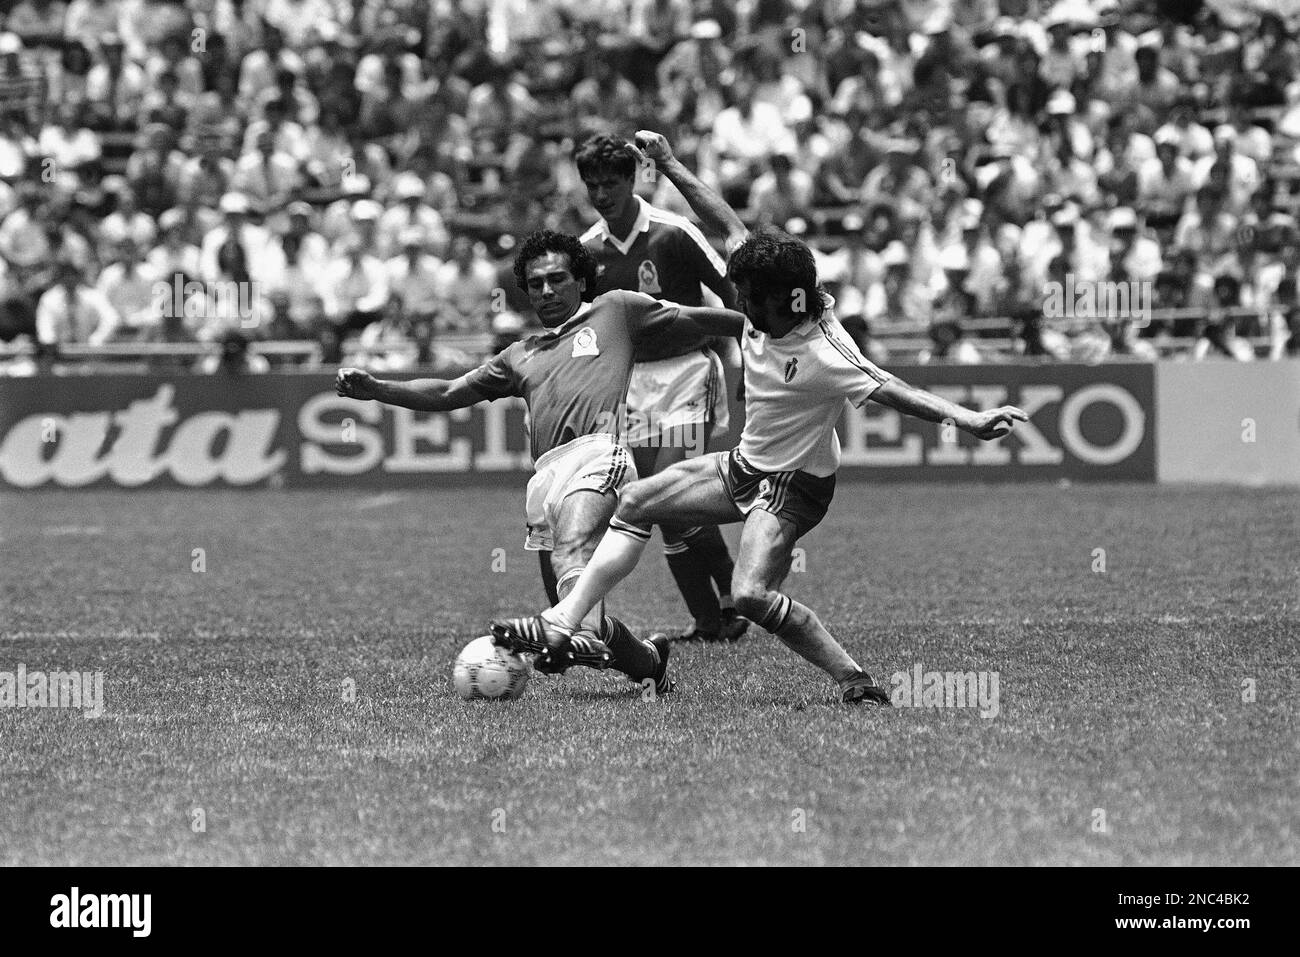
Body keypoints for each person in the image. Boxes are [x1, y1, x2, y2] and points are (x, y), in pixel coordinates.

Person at [491, 131, 1029, 705]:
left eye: (745, 295)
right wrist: (670, 163)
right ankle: (565, 622)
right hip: (746, 464)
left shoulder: (825, 352)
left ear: (778, 300)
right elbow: (728, 225)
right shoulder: (769, 291)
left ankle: (854, 679)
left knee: (750, 596)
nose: (735, 301)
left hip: (793, 485)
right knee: (637, 501)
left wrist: (969, 420)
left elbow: (895, 389)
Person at [335, 229, 747, 694]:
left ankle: (591, 630)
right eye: (535, 284)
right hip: (545, 480)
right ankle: (649, 662)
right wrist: (378, 389)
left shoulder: (617, 310)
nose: (546, 290)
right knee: (575, 613)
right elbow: (451, 392)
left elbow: (702, 319)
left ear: (581, 281)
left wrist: (762, 327)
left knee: (573, 567)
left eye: (557, 279)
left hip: (599, 454)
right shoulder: (520, 354)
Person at [572, 132, 746, 644]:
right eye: (592, 185)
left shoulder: (674, 233)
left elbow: (731, 287)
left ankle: (730, 601)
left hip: (689, 371)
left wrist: (747, 354)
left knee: (664, 495)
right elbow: (588, 328)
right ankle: (717, 614)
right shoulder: (587, 251)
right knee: (665, 503)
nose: (601, 194)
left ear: (632, 180)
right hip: (632, 386)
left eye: (610, 183)